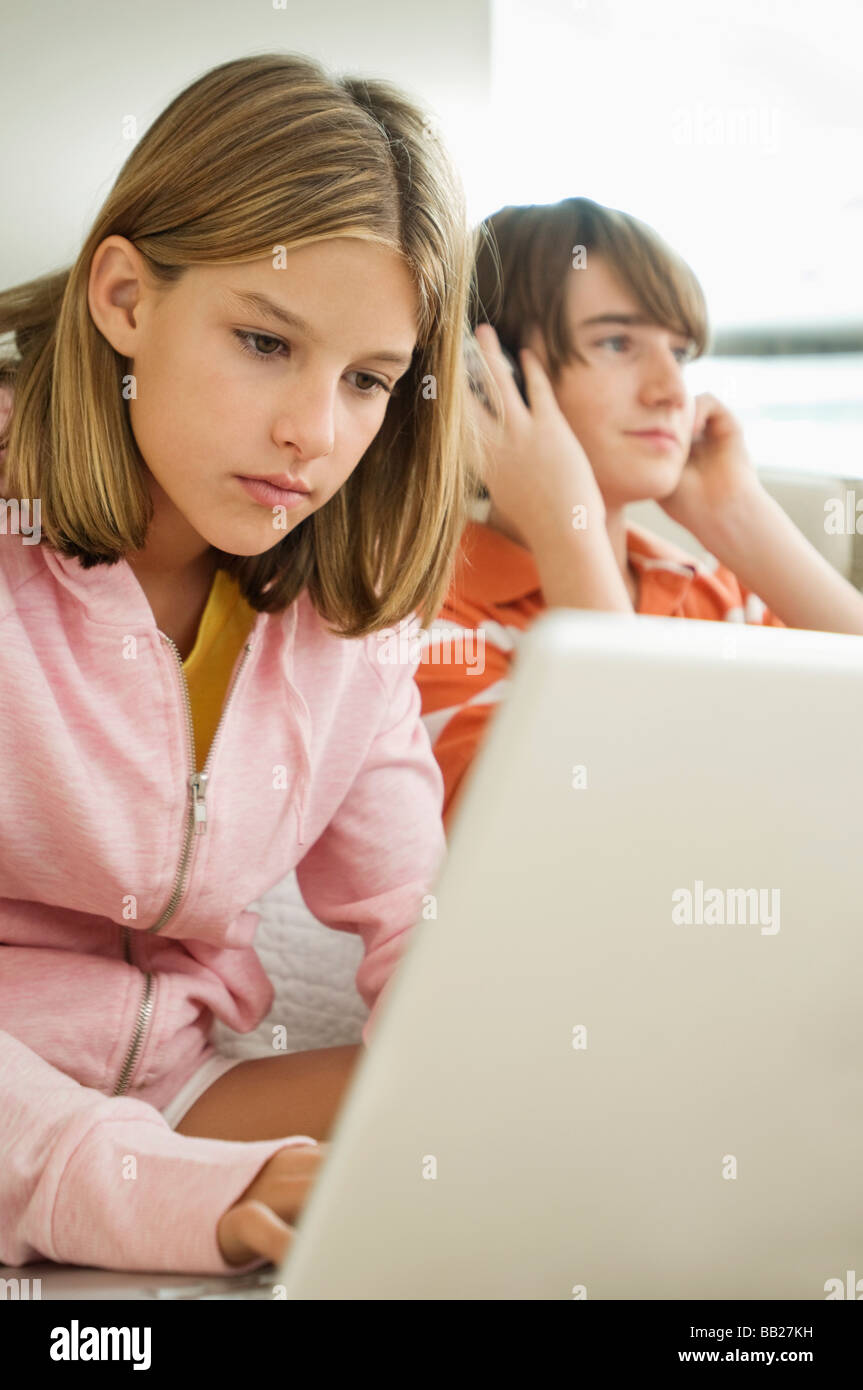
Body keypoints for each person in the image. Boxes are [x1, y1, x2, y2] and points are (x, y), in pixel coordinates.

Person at [0, 53, 480, 1274]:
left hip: (183, 1076)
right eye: (265, 341)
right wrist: (115, 1180)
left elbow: (411, 920)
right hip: (32, 1110)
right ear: (124, 297)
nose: (313, 435)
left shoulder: (342, 612)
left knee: (529, 1127)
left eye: (366, 380)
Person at [418, 196, 863, 831]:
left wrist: (741, 516)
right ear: (492, 381)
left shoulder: (713, 593)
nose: (669, 390)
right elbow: (611, 835)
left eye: (679, 354)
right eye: (618, 342)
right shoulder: (428, 618)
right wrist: (562, 526)